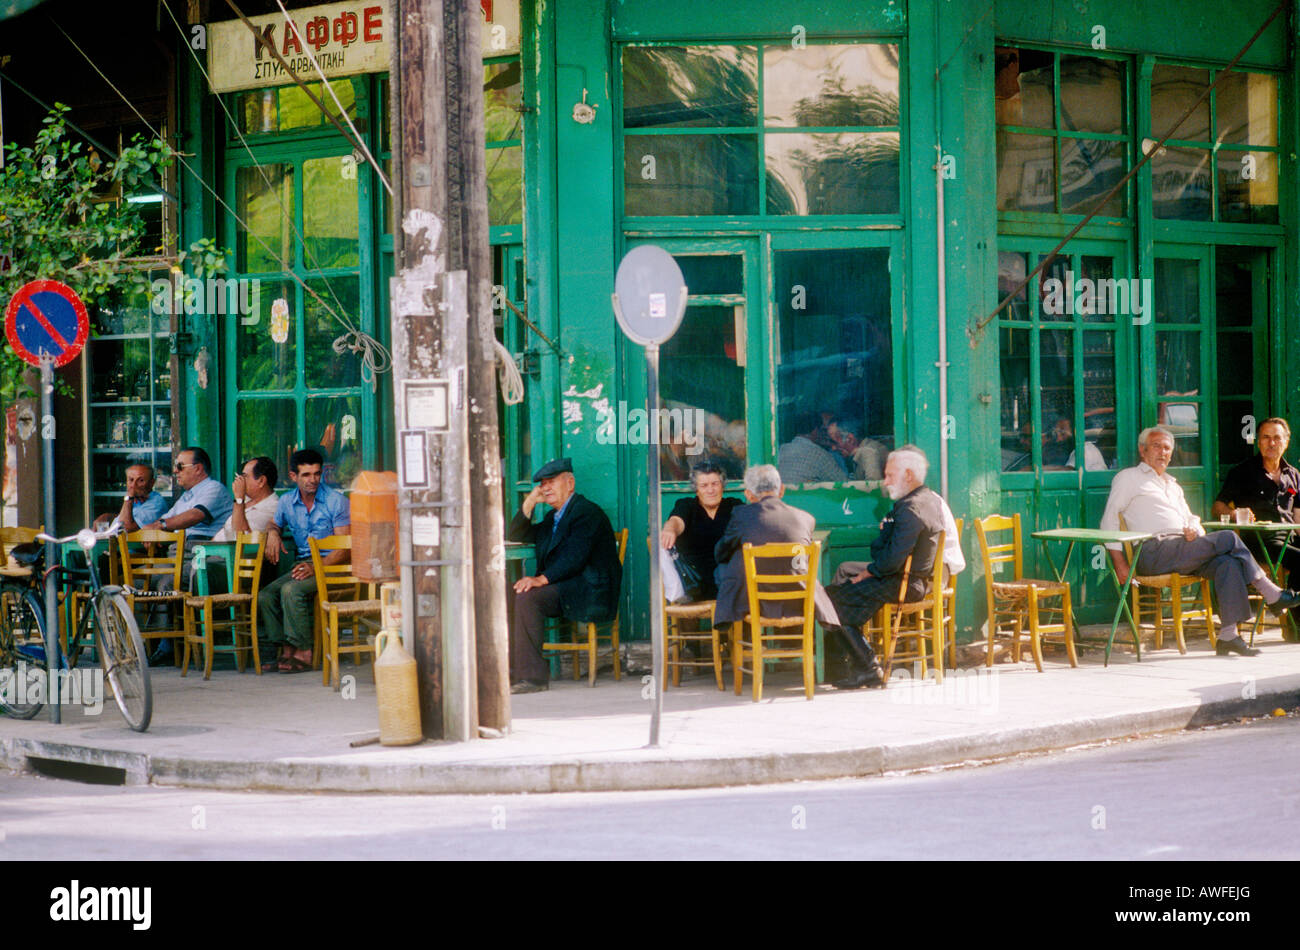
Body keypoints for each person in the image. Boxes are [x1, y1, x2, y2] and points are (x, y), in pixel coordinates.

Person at [1100, 426, 1300, 657]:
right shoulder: (1128, 478)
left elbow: (1191, 518)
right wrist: (1119, 563)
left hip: (1182, 549)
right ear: (1142, 450)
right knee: (1228, 537)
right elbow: (1108, 520)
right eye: (1156, 446)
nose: (1163, 452)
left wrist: (1194, 528)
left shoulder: (1172, 485)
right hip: (1152, 551)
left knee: (1228, 562)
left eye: (1167, 448)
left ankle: (1228, 636)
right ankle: (1271, 592)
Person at [823, 446, 947, 689]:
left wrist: (869, 571)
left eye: (890, 475)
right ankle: (858, 668)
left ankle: (867, 669)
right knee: (837, 597)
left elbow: (890, 559)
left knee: (828, 601)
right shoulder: (928, 499)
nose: (885, 480)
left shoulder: (910, 509)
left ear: (908, 475)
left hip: (903, 583)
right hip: (905, 579)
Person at [506, 458, 622, 693]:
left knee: (529, 597)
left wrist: (540, 579)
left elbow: (575, 558)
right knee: (511, 593)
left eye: (551, 482)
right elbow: (517, 533)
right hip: (567, 588)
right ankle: (513, 670)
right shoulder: (553, 518)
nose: (545, 488)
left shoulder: (586, 513)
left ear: (570, 483)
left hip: (589, 589)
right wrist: (529, 502)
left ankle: (533, 678)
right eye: (542, 484)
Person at [711, 463, 841, 650]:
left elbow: (721, 553)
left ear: (748, 494)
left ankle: (747, 640)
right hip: (798, 600)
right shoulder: (806, 518)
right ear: (781, 490)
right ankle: (791, 640)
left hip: (755, 601)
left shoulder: (742, 515)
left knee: (725, 569)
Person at [258, 449, 351, 673]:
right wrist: (273, 533)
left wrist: (316, 567)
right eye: (306, 475)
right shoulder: (287, 502)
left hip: (333, 565)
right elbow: (274, 523)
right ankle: (285, 648)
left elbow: (345, 548)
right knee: (266, 595)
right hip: (303, 564)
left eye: (317, 474)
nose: (313, 480)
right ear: (293, 477)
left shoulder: (336, 501)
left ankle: (304, 652)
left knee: (291, 590)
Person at [140, 447, 234, 664]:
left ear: (198, 469)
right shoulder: (185, 497)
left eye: (180, 466)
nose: (175, 471)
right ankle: (143, 644)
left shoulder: (214, 489)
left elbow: (195, 515)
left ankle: (167, 646)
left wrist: (160, 525)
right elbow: (166, 518)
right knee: (141, 579)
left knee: (166, 582)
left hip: (202, 554)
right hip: (177, 553)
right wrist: (153, 529)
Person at [1211, 417, 1300, 586]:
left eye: (1277, 438)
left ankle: (1291, 605)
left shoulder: (1294, 474)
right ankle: (1292, 609)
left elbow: (1298, 517)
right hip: (1261, 542)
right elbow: (1217, 507)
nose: (1271, 443)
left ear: (1286, 442)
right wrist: (1233, 513)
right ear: (1258, 442)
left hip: (1290, 538)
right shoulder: (1242, 472)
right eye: (1266, 437)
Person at [658, 460, 742, 603]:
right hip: (694, 583)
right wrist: (670, 529)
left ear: (722, 486)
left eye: (715, 484)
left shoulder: (734, 506)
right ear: (696, 489)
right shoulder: (687, 506)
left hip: (727, 581)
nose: (710, 490)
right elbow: (676, 521)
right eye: (704, 485)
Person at [211, 456, 279, 543]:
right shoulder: (247, 500)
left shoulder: (272, 507)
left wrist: (239, 499)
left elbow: (240, 536)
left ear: (261, 481)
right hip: (214, 550)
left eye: (245, 476)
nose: (240, 480)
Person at [777, 412, 848, 484]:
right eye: (822, 430)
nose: (826, 435)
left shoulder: (780, 449)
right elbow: (844, 483)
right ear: (815, 431)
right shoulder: (820, 454)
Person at [93, 463, 166, 532]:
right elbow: (128, 518)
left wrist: (129, 498)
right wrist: (108, 517)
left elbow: (125, 528)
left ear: (151, 483)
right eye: (131, 480)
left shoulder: (156, 503)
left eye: (141, 480)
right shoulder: (137, 498)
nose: (134, 485)